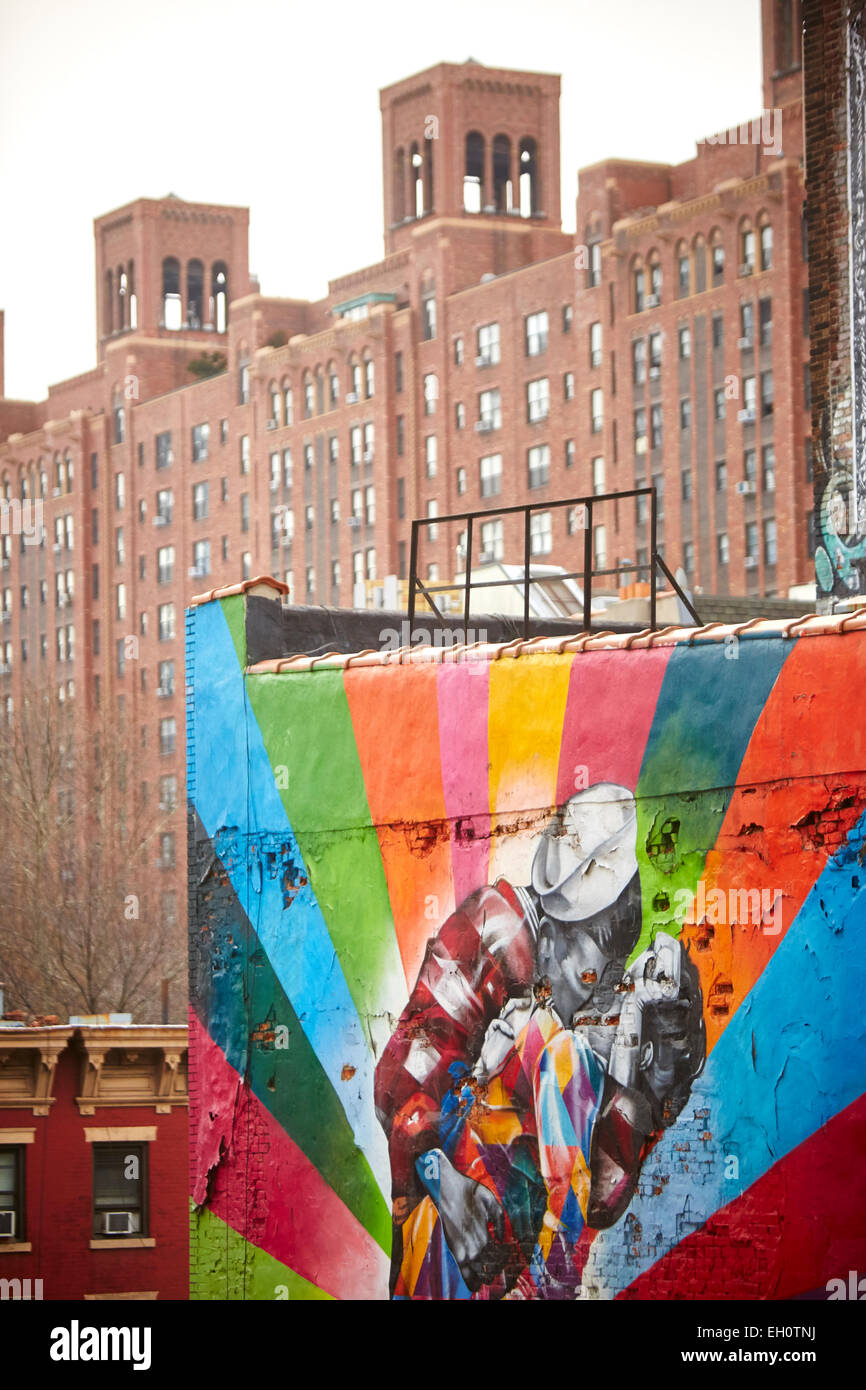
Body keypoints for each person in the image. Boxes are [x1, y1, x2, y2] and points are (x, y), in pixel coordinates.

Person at [374, 783, 705, 1300]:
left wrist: (652, 1085)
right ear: (550, 941)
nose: (599, 994)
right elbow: (402, 1078)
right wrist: (442, 1180)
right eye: (592, 968)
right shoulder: (495, 936)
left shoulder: (577, 1043)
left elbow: (593, 1199)